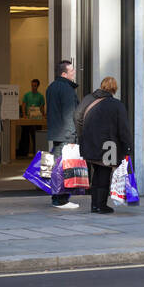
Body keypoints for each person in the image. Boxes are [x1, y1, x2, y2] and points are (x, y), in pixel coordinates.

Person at [78, 77, 131, 214]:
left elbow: (77, 116)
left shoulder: (88, 99)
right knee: (103, 174)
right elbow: (123, 128)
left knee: (96, 173)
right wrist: (127, 146)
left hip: (90, 143)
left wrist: (83, 134)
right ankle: (100, 205)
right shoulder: (116, 105)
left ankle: (94, 204)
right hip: (109, 145)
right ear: (114, 88)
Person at [45, 60, 80, 210]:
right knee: (63, 168)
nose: (74, 73)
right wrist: (72, 135)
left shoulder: (52, 87)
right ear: (64, 74)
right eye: (71, 71)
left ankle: (58, 197)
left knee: (58, 166)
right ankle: (60, 199)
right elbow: (69, 114)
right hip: (66, 134)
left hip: (57, 133)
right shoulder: (66, 89)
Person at [16, 78, 44, 158]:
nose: (33, 87)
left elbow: (42, 107)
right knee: (25, 135)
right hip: (28, 118)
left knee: (36, 135)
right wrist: (24, 115)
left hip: (37, 118)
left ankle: (37, 152)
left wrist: (43, 115)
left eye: (35, 85)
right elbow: (24, 105)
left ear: (38, 86)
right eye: (32, 85)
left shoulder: (40, 96)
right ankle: (24, 152)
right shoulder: (27, 95)